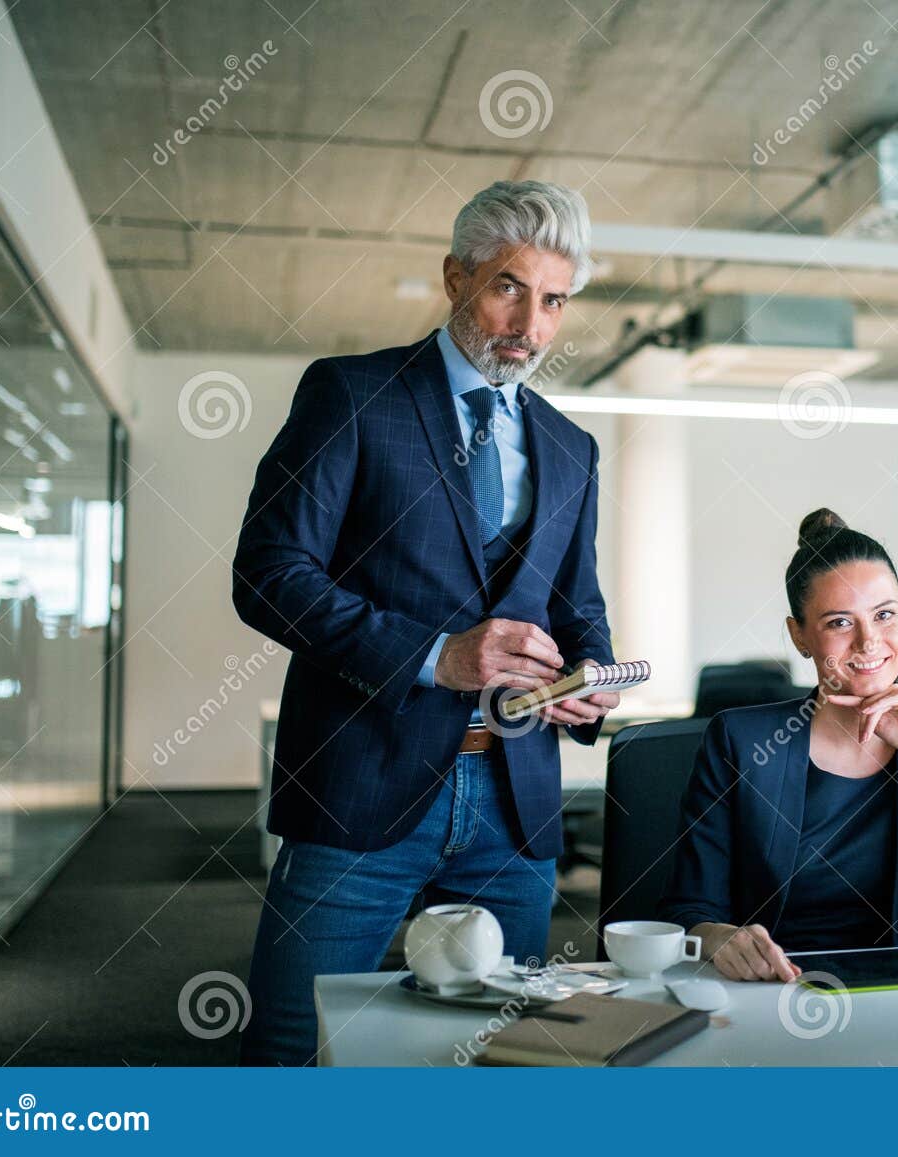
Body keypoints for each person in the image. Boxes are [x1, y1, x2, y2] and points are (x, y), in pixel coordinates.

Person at [232, 180, 617, 1063]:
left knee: (504, 1059)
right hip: (362, 778)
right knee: (292, 1050)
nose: (530, 322)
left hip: (513, 802)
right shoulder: (353, 394)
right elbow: (269, 573)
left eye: (553, 299)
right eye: (508, 287)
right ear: (455, 277)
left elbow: (577, 608)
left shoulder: (571, 446)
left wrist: (587, 678)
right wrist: (434, 655)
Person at [658, 509, 898, 982]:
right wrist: (719, 937)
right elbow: (688, 910)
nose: (869, 641)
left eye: (885, 615)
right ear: (800, 635)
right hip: (762, 990)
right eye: (840, 622)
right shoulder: (741, 741)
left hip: (886, 993)